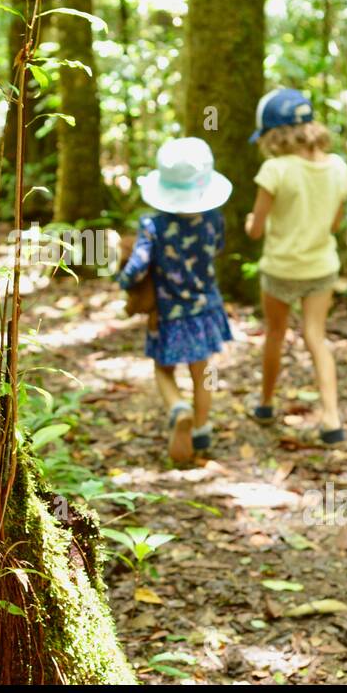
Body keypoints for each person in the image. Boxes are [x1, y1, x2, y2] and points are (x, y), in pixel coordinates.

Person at [243, 88, 347, 445]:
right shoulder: (338, 167)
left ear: (273, 134)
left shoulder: (274, 170)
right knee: (315, 337)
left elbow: (256, 230)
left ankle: (265, 403)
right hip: (321, 267)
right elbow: (334, 225)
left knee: (275, 334)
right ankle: (332, 418)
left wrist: (249, 221)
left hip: (280, 269)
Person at [118, 137, 234, 465]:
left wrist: (123, 282)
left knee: (164, 369)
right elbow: (219, 248)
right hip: (206, 308)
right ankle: (201, 430)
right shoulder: (214, 218)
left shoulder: (153, 225)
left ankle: (177, 407)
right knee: (203, 372)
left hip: (169, 314)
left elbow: (138, 265)